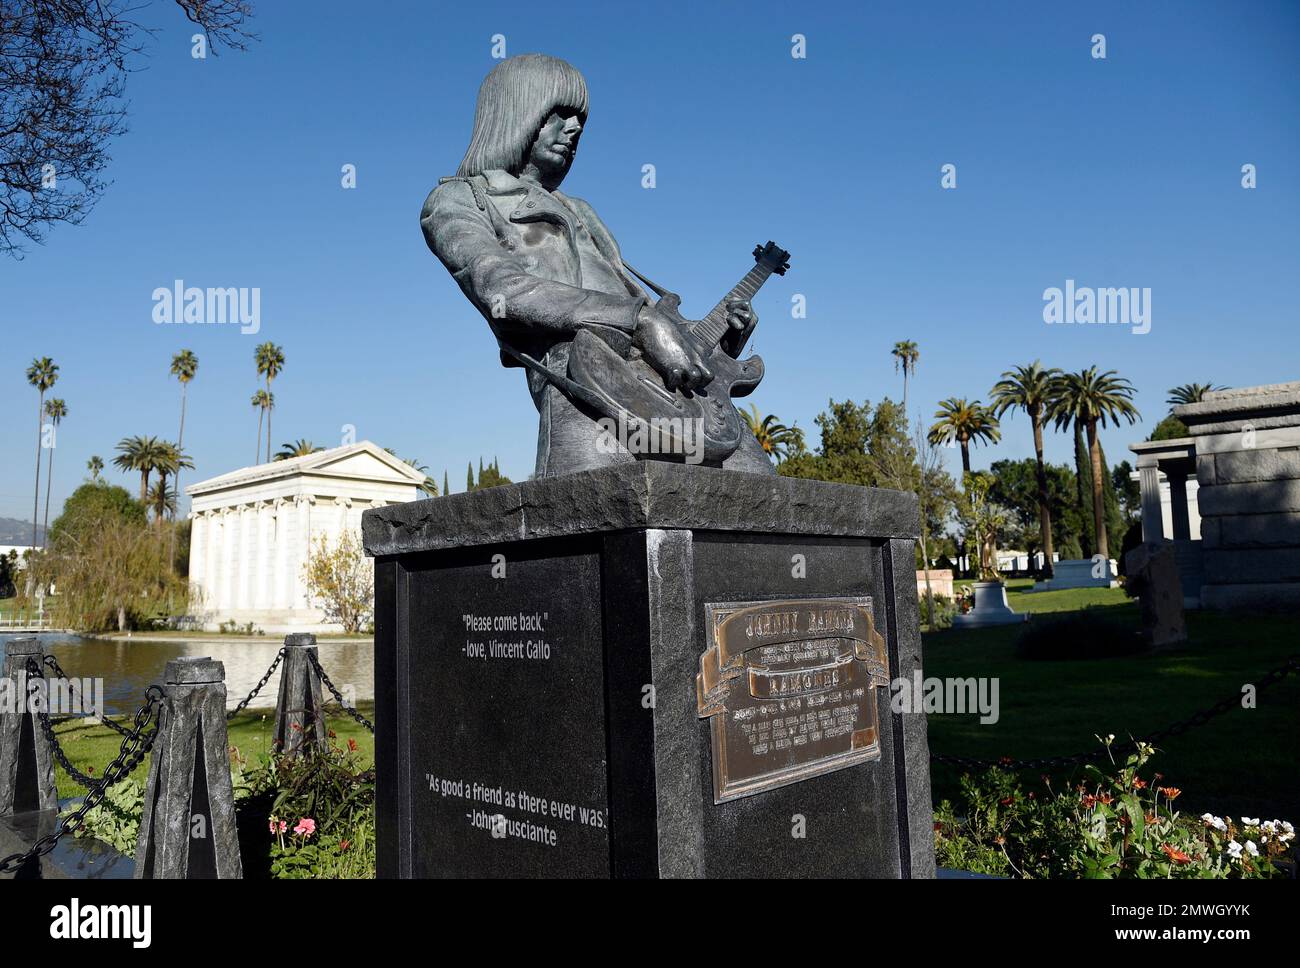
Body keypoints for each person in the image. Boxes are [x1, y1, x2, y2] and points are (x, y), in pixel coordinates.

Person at [421, 53, 773, 477]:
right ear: (517, 112)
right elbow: (502, 288)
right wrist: (640, 320)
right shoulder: (461, 200)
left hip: (671, 383)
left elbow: (635, 300)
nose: (575, 129)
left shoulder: (581, 210)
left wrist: (721, 346)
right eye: (560, 114)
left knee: (767, 499)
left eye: (581, 120)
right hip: (583, 377)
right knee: (611, 506)